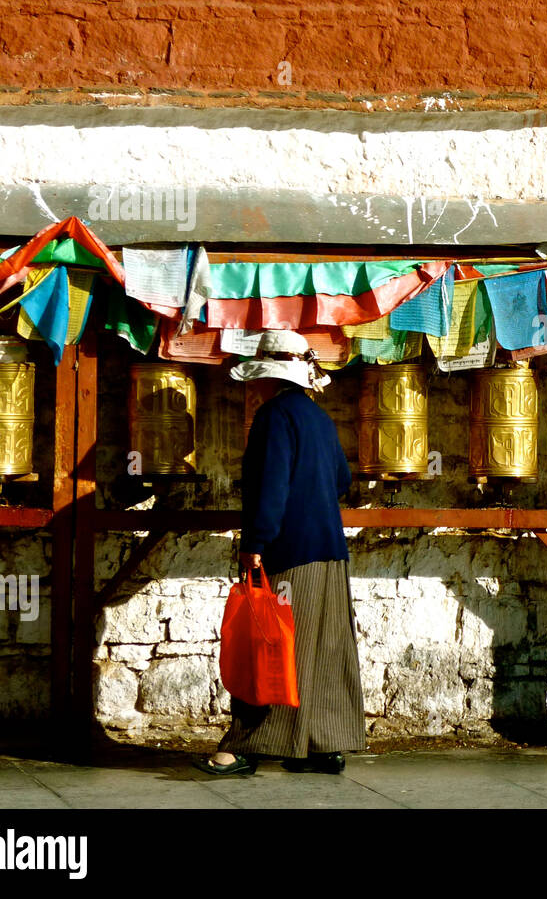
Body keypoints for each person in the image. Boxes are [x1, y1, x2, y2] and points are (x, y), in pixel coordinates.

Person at [193, 330, 364, 776]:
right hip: (330, 551)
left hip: (289, 549)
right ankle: (323, 747)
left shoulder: (273, 417)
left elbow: (270, 488)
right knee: (323, 648)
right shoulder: (319, 418)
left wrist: (255, 543)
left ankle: (244, 747)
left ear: (267, 377)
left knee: (272, 647)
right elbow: (343, 480)